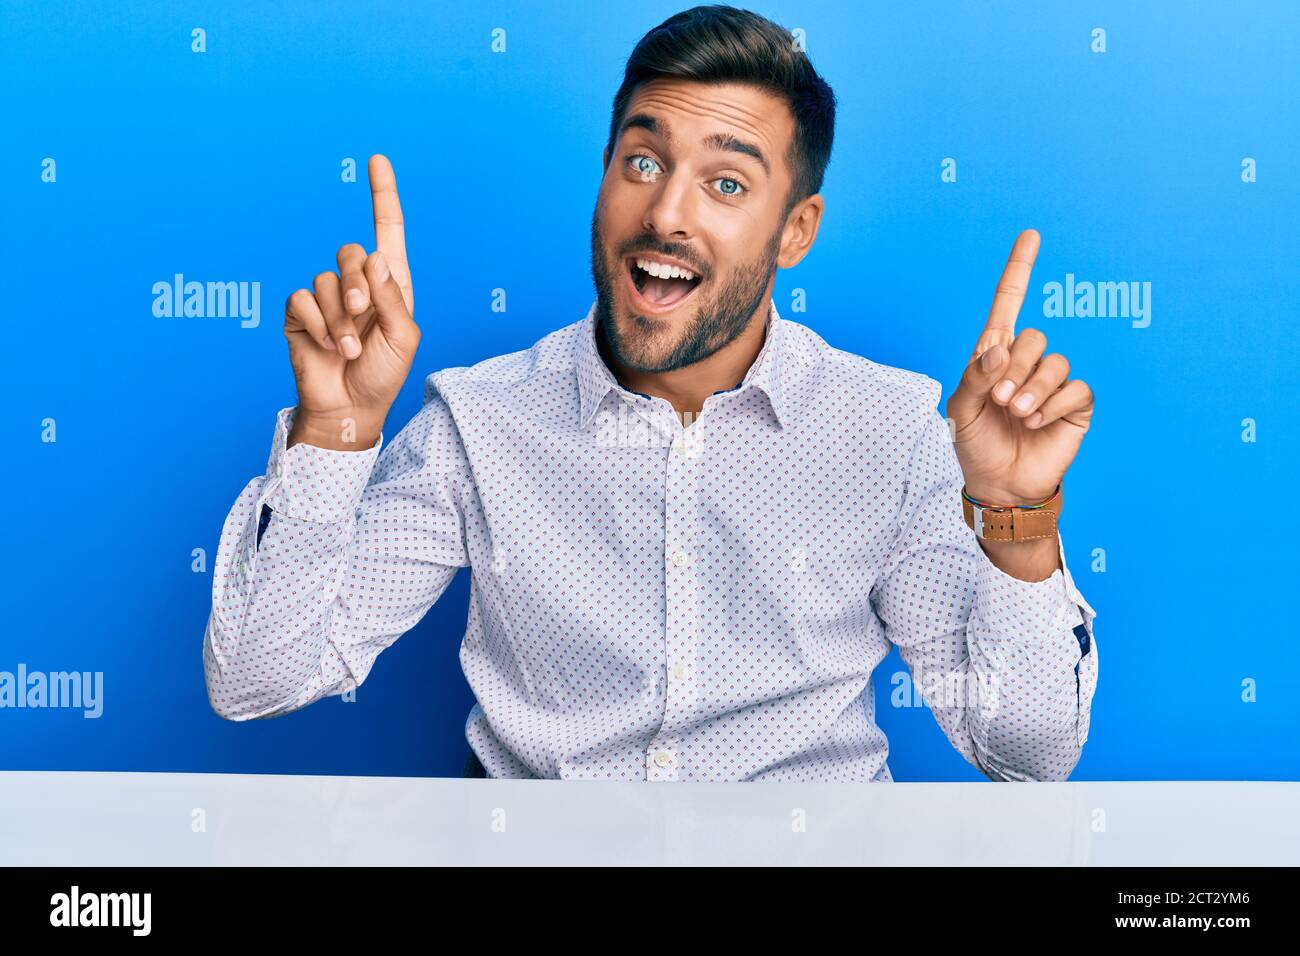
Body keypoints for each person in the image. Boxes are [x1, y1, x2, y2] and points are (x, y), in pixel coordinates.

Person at [203, 4, 1097, 782]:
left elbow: (1023, 756)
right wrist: (337, 430)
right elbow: (255, 683)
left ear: (796, 231)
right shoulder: (480, 422)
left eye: (726, 183)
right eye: (642, 162)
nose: (667, 212)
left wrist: (1017, 520)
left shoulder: (891, 429)